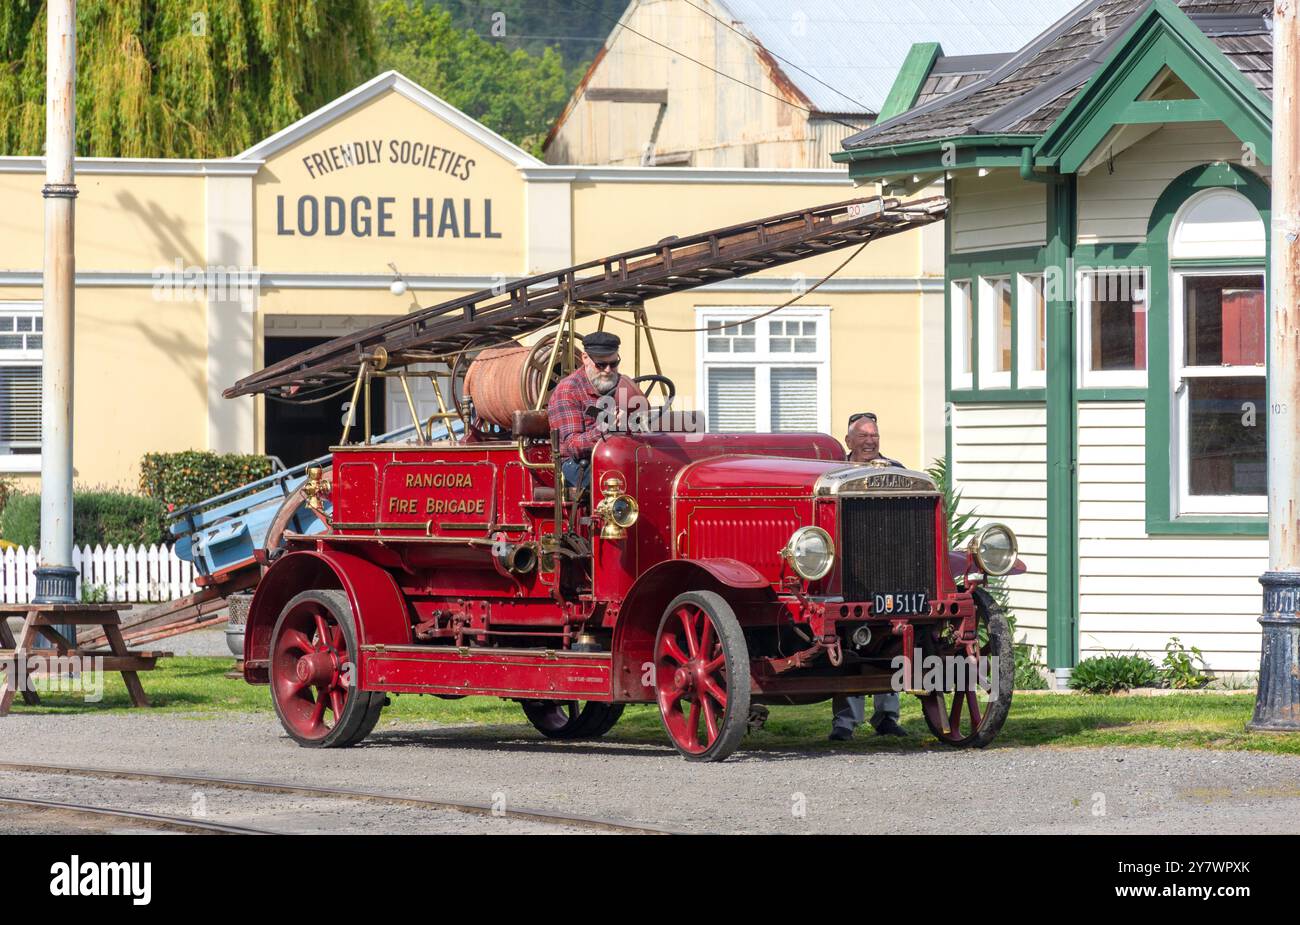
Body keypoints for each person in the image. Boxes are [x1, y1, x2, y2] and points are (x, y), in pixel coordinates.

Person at [830, 411, 908, 740]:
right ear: (848, 441)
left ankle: (887, 716)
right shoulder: (834, 473)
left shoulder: (897, 472)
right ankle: (845, 724)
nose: (870, 441)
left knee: (892, 643)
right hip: (849, 573)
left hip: (891, 572)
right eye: (862, 435)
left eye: (874, 435)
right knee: (848, 644)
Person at [546, 331, 639, 491]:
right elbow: (573, 446)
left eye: (613, 364)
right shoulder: (568, 390)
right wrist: (608, 429)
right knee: (622, 476)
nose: (608, 370)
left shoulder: (623, 385)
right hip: (575, 465)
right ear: (585, 358)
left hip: (619, 457)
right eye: (601, 365)